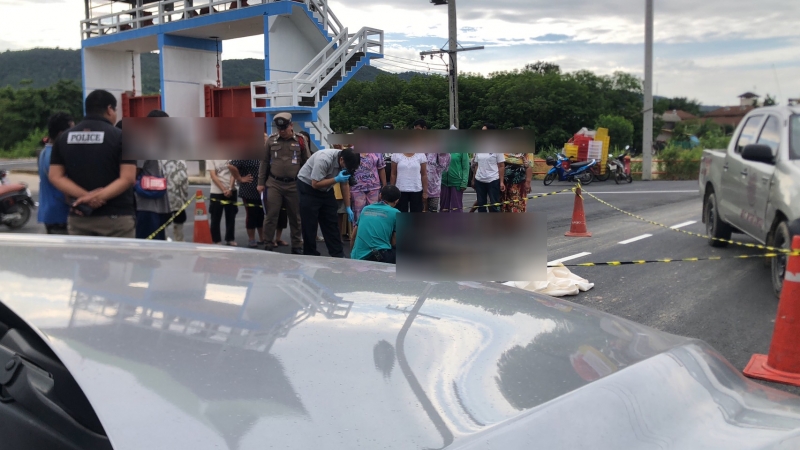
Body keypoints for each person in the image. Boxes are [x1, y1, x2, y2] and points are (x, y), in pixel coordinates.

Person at [49, 89, 137, 237]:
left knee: (83, 260)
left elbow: (55, 176)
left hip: (80, 218)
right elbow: (128, 178)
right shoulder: (123, 137)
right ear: (109, 109)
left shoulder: (63, 138)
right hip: (116, 219)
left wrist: (85, 196)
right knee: (120, 260)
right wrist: (97, 197)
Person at [257, 113, 310, 254]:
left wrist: (307, 184)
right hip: (274, 183)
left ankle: (297, 245)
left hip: (294, 184)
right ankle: (268, 243)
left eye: (284, 128)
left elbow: (307, 163)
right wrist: (260, 182)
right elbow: (264, 162)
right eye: (279, 128)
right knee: (271, 215)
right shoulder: (271, 140)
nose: (282, 131)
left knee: (295, 216)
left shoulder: (300, 140)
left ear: (291, 125)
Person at [296, 147, 361, 257]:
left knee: (331, 221)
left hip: (326, 189)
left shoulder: (346, 162)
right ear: (341, 160)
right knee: (309, 223)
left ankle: (338, 254)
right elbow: (315, 184)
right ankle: (310, 253)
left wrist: (347, 207)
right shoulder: (324, 159)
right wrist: (336, 179)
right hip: (308, 186)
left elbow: (344, 183)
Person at [134, 109, 173, 241]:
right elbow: (134, 172)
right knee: (148, 246)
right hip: (146, 205)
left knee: (157, 244)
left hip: (159, 204)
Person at [37, 112, 74, 234]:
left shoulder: (45, 152)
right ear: (61, 134)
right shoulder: (56, 156)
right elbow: (66, 188)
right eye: (72, 131)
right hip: (59, 215)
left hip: (50, 213)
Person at [350, 185, 400, 263]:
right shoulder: (395, 213)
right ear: (397, 201)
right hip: (379, 256)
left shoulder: (366, 209)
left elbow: (353, 236)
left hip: (358, 256)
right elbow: (394, 241)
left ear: (380, 195)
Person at [350, 126, 387, 223]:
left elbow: (381, 169)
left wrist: (385, 186)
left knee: (374, 213)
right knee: (358, 214)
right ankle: (359, 235)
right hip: (357, 188)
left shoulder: (376, 151)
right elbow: (347, 170)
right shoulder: (351, 151)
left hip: (374, 188)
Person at [471, 123, 505, 212]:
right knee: (481, 205)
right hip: (480, 180)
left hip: (493, 180)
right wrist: (474, 178)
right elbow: (476, 164)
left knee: (494, 204)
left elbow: (501, 166)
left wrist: (501, 182)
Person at [501, 128, 534, 212]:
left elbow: (529, 166)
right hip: (504, 181)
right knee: (503, 203)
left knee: (517, 204)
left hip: (518, 182)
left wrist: (528, 182)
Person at [208, 159, 238, 245]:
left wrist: (230, 188)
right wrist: (223, 189)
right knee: (215, 217)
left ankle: (230, 238)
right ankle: (216, 239)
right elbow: (213, 176)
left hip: (231, 189)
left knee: (231, 216)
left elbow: (234, 173)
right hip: (216, 191)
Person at [440, 125, 470, 213]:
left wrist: (464, 182)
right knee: (443, 207)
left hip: (457, 182)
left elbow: (465, 167)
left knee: (456, 207)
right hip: (444, 182)